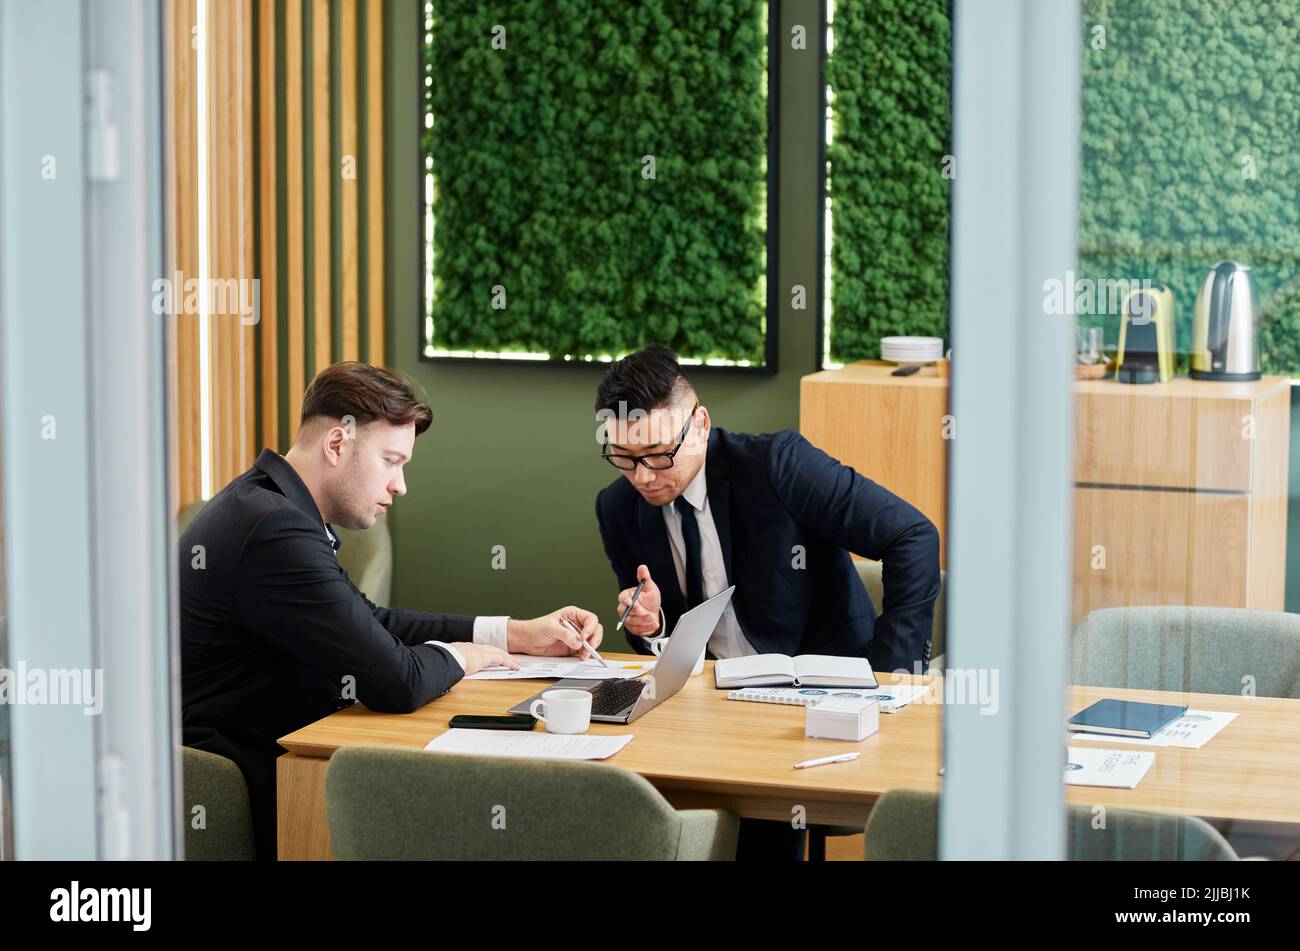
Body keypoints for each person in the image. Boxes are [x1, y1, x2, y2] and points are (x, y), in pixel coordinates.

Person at [182, 361, 603, 860]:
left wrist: (513, 634)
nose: (401, 485)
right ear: (337, 444)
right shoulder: (273, 529)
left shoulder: (269, 506)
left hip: (267, 749)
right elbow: (397, 682)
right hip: (248, 775)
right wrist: (466, 658)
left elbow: (369, 622)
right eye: (391, 460)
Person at [593, 344, 940, 859]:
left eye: (658, 455)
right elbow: (655, 638)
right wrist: (649, 623)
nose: (643, 475)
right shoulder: (617, 508)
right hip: (708, 707)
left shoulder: (779, 466)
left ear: (701, 425)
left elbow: (913, 536)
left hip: (817, 692)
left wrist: (889, 678)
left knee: (760, 827)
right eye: (623, 457)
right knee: (616, 797)